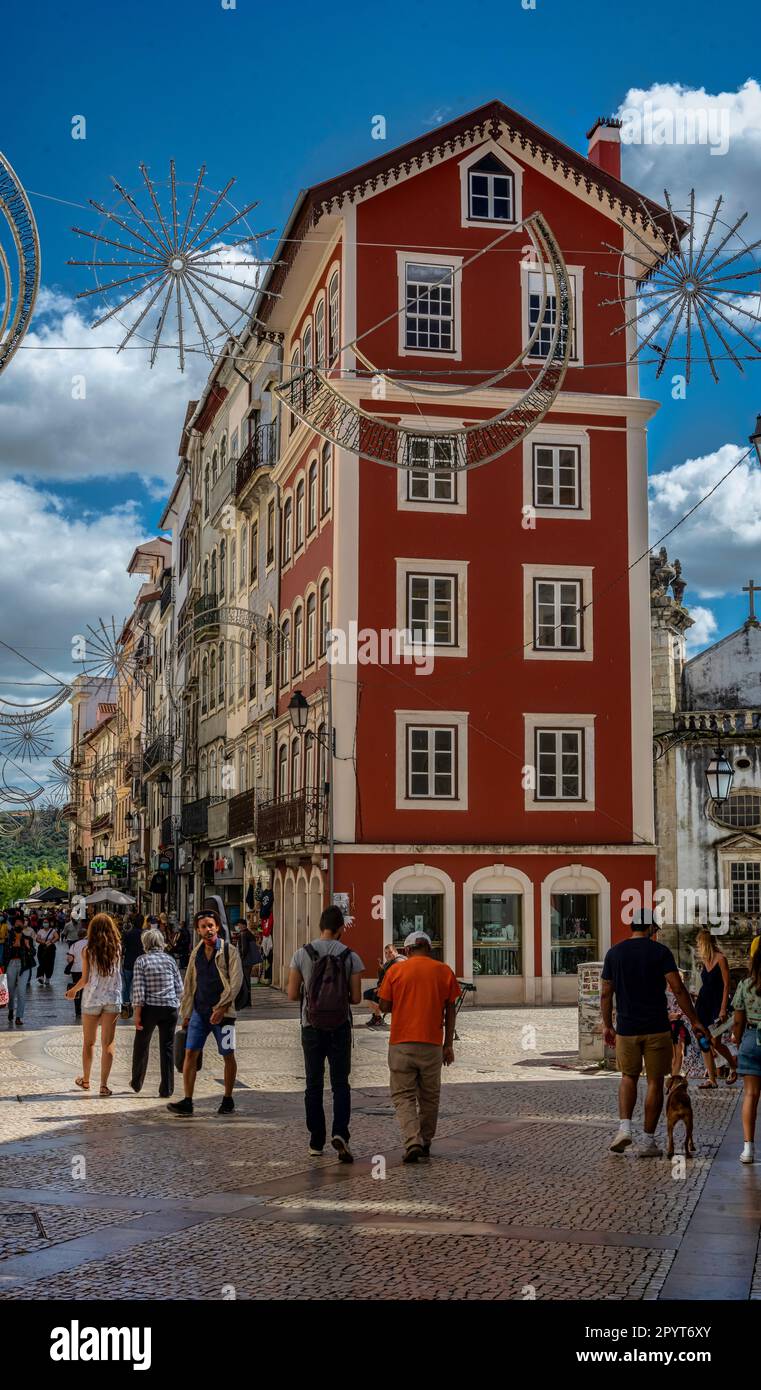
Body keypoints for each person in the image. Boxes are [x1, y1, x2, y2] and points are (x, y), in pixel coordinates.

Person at [602, 909, 707, 1156]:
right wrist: (695, 1020)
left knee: (628, 1076)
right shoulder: (660, 953)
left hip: (627, 1028)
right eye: (655, 929)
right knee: (655, 1082)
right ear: (649, 928)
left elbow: (606, 993)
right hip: (657, 1028)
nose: (656, 933)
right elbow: (678, 989)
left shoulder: (614, 953)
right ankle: (648, 1142)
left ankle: (625, 1129)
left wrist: (608, 1024)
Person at [287, 905, 364, 1161]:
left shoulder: (302, 954)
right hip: (340, 1026)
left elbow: (291, 994)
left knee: (313, 1084)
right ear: (341, 928)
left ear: (320, 926)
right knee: (341, 1084)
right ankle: (341, 1132)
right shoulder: (350, 956)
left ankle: (316, 1140)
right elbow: (355, 998)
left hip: (311, 1026)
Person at [377, 930, 459, 1163]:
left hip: (402, 1043)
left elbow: (384, 1005)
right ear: (429, 949)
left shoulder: (396, 970)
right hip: (432, 1045)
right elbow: (450, 1008)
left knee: (403, 1096)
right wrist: (448, 1045)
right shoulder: (444, 971)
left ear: (407, 950)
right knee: (430, 1097)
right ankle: (425, 1141)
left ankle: (412, 1140)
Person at [167, 909, 243, 1117]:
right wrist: (187, 1014)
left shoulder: (229, 951)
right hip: (200, 1013)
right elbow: (190, 983)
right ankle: (188, 1100)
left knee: (228, 1055)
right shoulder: (197, 953)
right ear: (198, 930)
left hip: (224, 1014)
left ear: (217, 927)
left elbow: (236, 984)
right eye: (203, 926)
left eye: (211, 925)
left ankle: (228, 1099)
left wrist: (221, 1008)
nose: (208, 929)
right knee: (190, 1053)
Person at [65, 913, 122, 1096]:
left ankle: (86, 1080)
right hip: (112, 999)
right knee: (108, 1044)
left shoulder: (87, 950)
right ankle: (104, 1085)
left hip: (91, 1000)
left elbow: (85, 979)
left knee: (89, 1042)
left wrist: (73, 990)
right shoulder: (117, 948)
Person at [130, 926, 184, 1099]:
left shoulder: (141, 961)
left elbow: (139, 989)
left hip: (150, 1009)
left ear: (145, 943)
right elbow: (180, 988)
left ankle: (137, 1082)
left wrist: (137, 1014)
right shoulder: (170, 960)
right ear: (161, 943)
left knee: (141, 1044)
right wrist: (178, 1006)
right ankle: (167, 1088)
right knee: (167, 1047)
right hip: (170, 1008)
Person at [694, 929, 737, 1088]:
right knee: (703, 1040)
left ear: (705, 942)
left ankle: (733, 1066)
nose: (698, 946)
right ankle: (712, 1080)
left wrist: (723, 1008)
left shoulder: (721, 959)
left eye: (699, 943)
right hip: (704, 1003)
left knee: (715, 1042)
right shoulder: (705, 960)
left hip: (717, 1005)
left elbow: (727, 985)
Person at [731, 945, 761, 1163]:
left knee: (750, 1095)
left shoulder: (745, 984)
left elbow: (738, 1020)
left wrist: (740, 1041)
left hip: (751, 1039)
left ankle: (748, 1149)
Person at [364, 943, 407, 1028]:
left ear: (396, 952)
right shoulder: (390, 963)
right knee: (367, 994)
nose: (387, 955)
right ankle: (378, 1017)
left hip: (396, 991)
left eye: (390, 952)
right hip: (386, 988)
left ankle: (379, 1017)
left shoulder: (398, 961)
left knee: (374, 997)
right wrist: (382, 968)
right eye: (386, 953)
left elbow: (395, 980)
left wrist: (381, 988)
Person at [4, 921, 35, 1026]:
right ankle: (11, 1009)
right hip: (11, 964)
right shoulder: (8, 939)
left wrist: (28, 947)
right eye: (16, 924)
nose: (18, 926)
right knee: (11, 991)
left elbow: (33, 953)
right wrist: (12, 946)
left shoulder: (28, 939)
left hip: (24, 966)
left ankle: (19, 1016)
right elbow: (5, 954)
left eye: (20, 924)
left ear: (23, 926)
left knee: (21, 991)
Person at [120, 914, 145, 1019]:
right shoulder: (145, 934)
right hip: (142, 964)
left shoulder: (127, 933)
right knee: (140, 986)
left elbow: (122, 948)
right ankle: (140, 1007)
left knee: (126, 986)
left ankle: (126, 1008)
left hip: (129, 963)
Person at [66, 925, 88, 1021]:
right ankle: (86, 1009)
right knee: (87, 990)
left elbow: (69, 958)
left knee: (77, 990)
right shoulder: (90, 943)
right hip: (87, 970)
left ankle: (77, 1011)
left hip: (76, 970)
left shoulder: (74, 945)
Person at [35, 917, 59, 986]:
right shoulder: (40, 931)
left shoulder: (53, 930)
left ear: (49, 923)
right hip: (42, 948)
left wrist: (51, 942)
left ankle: (48, 978)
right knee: (41, 962)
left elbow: (57, 937)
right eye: (44, 922)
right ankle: (41, 977)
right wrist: (42, 942)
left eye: (46, 922)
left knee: (50, 964)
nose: (45, 923)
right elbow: (37, 939)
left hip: (50, 949)